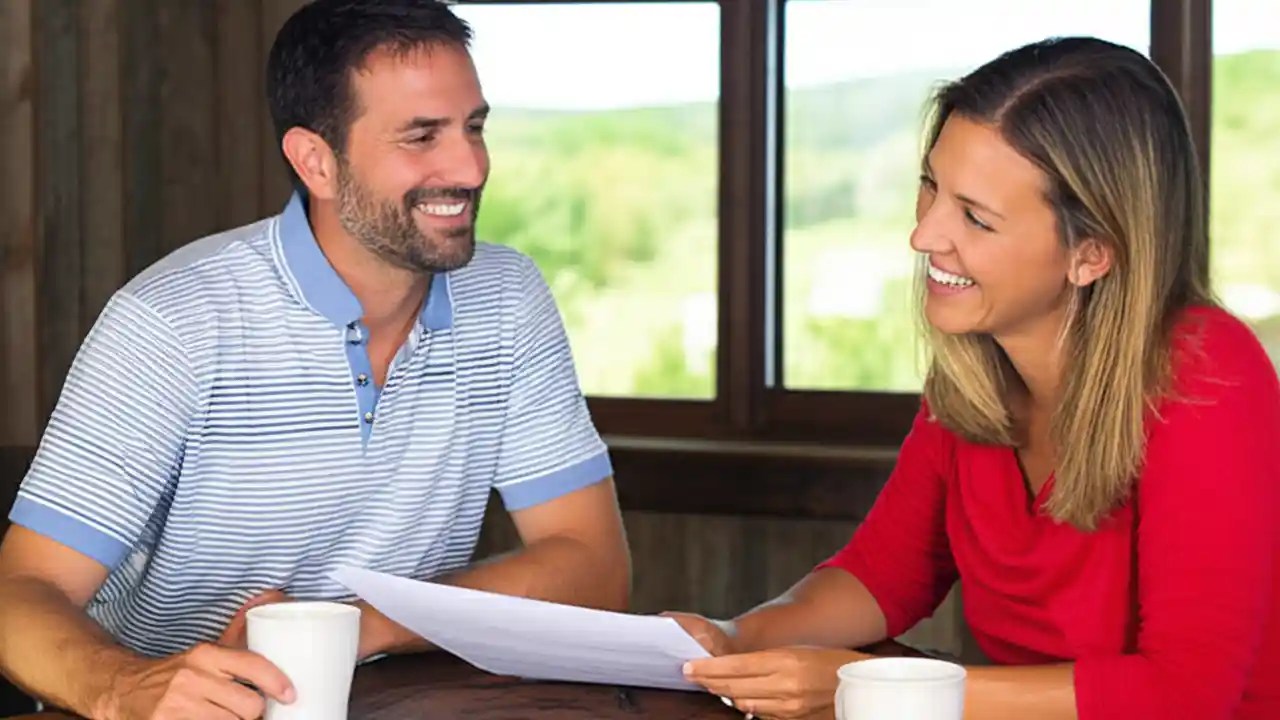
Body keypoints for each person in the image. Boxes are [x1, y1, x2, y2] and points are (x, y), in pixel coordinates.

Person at [0, 1, 630, 718]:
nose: (471, 166)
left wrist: (356, 626)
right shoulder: (173, 322)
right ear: (315, 162)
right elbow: (22, 593)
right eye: (422, 137)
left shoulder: (508, 298)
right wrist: (121, 690)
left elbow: (593, 568)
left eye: (474, 127)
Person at [671, 36, 1280, 720]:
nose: (925, 235)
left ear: (1092, 253)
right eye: (930, 186)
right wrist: (733, 635)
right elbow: (881, 577)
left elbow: (1185, 695)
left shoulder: (1208, 375)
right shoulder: (972, 375)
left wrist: (876, 687)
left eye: (976, 217)